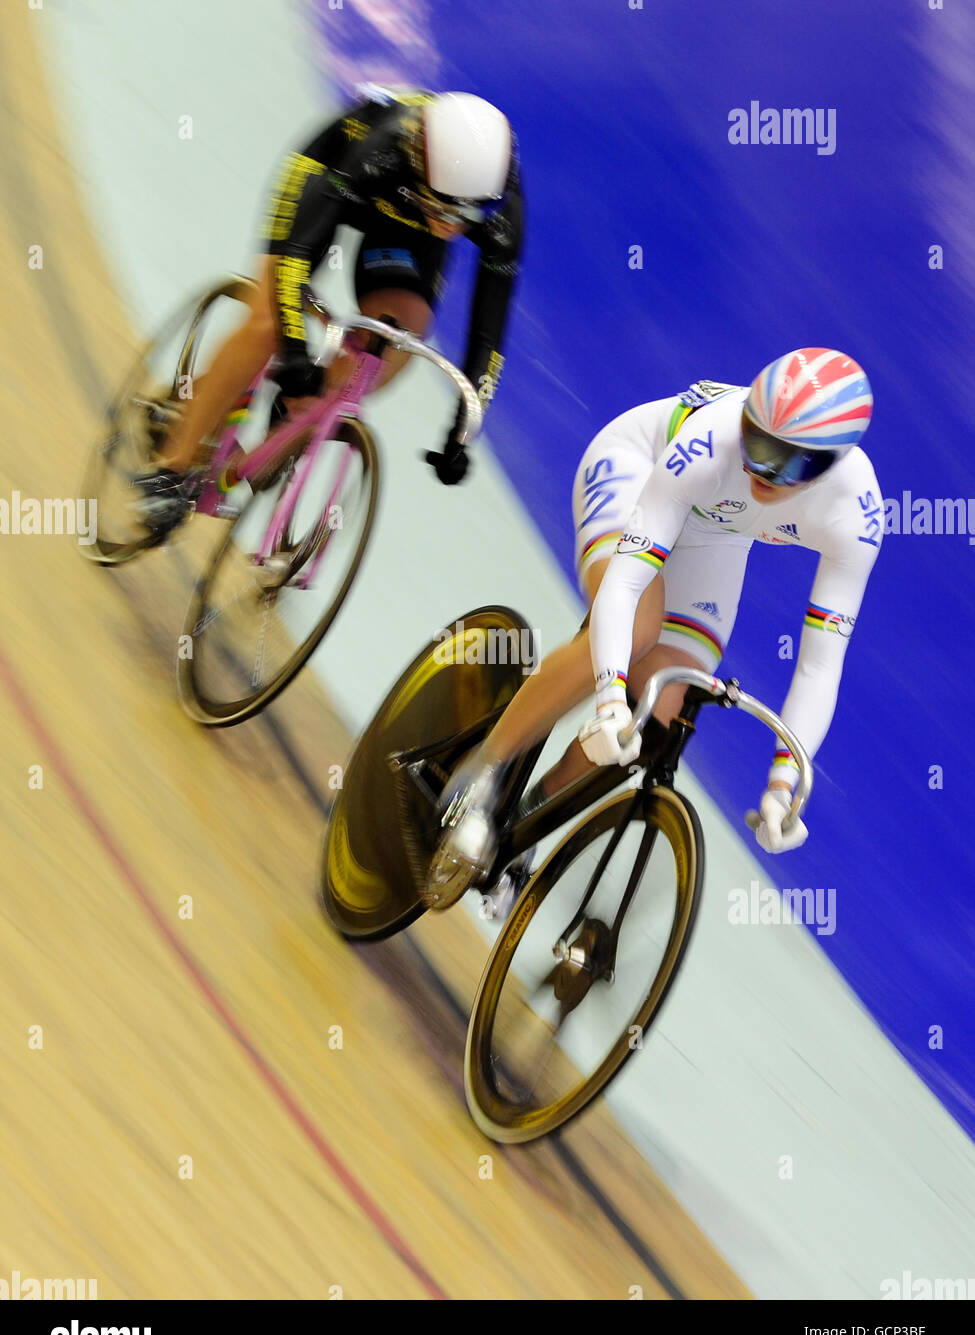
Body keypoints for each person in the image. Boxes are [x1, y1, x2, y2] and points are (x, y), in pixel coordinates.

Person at [440, 348, 880, 914]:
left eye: (787, 462)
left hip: (717, 536)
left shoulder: (857, 517)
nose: (761, 468)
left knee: (663, 707)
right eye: (757, 440)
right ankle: (482, 771)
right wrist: (606, 697)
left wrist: (781, 786)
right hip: (639, 471)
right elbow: (624, 584)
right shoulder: (714, 441)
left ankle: (525, 824)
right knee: (641, 624)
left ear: (829, 465)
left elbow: (820, 664)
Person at [135, 85, 523, 534]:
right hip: (332, 179)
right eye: (444, 208)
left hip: (405, 233)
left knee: (394, 343)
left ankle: (281, 438)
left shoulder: (501, 210)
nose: (452, 224)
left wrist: (462, 430)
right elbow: (297, 254)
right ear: (419, 160)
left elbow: (488, 332)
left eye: (467, 219)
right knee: (267, 325)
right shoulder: (383, 147)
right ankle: (172, 468)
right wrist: (296, 351)